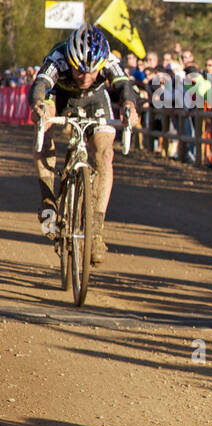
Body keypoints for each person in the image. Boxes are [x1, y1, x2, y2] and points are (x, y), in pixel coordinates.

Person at [29, 24, 141, 263]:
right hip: (60, 97)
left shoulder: (108, 60)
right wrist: (39, 106)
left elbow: (124, 86)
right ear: (70, 59)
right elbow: (39, 86)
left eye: (92, 72)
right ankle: (48, 201)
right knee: (41, 122)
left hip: (95, 100)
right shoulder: (58, 57)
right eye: (80, 71)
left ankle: (96, 230)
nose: (86, 77)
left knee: (105, 153)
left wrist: (130, 107)